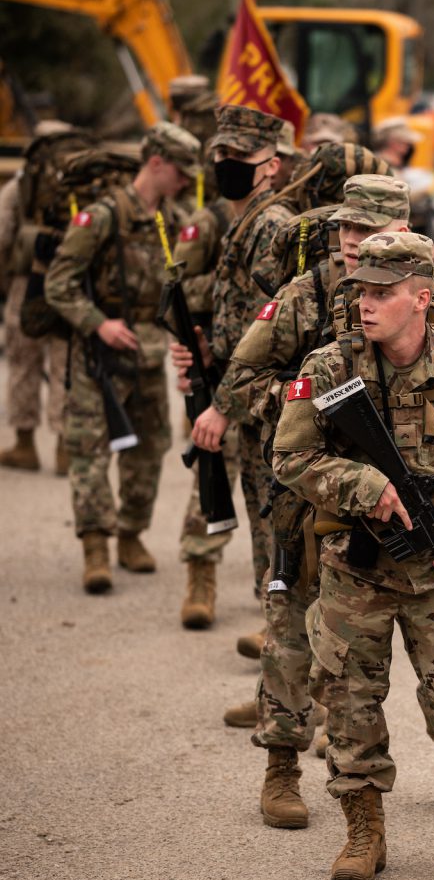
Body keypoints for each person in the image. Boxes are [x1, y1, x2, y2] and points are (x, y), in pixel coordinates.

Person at [272, 231, 434, 880]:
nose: (366, 303)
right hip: (355, 568)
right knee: (350, 700)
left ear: (421, 297)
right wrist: (367, 488)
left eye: (383, 293)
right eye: (361, 290)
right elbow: (290, 459)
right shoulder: (330, 368)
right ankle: (363, 828)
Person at [207, 174, 412, 828]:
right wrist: (310, 406)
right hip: (305, 490)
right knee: (289, 624)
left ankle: (433, 773)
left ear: (402, 233)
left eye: (370, 231)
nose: (353, 242)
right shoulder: (307, 293)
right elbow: (240, 383)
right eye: (346, 229)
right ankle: (281, 769)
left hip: (390, 500)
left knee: (373, 635)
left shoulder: (425, 297)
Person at [44, 121, 200, 592]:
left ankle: (131, 535)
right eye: (179, 170)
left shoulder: (174, 220)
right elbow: (59, 283)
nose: (185, 180)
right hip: (98, 353)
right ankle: (96, 546)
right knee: (89, 448)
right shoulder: (103, 216)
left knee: (148, 451)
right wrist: (98, 323)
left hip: (150, 352)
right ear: (156, 163)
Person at [176, 103, 290, 636]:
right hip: (241, 390)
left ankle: (283, 662)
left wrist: (222, 406)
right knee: (264, 527)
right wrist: (201, 346)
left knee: (274, 527)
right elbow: (235, 318)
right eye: (220, 152)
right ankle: (279, 669)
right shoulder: (245, 221)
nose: (226, 162)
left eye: (239, 155)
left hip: (261, 400)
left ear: (272, 164)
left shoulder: (269, 225)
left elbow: (264, 336)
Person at [0, 121, 75, 474]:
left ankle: (25, 444)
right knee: (66, 366)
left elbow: (2, 235)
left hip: (25, 283)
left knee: (22, 361)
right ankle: (64, 449)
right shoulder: (81, 183)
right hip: (68, 285)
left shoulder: (21, 184)